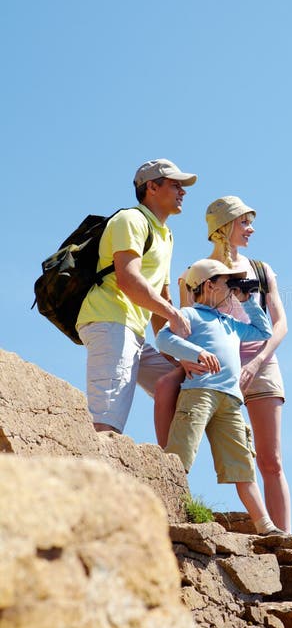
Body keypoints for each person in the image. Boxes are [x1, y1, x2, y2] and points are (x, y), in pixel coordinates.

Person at [154, 195, 291, 532]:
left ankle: (281, 537)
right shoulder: (196, 274)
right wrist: (187, 359)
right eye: (244, 222)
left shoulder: (260, 271)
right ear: (224, 226)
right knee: (174, 409)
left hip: (259, 363)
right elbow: (181, 326)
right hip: (212, 373)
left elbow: (279, 325)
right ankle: (164, 489)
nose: (250, 229)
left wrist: (256, 363)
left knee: (270, 460)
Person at [76, 158, 197, 434]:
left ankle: (169, 459)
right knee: (107, 422)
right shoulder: (131, 219)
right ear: (152, 187)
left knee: (181, 387)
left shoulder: (165, 235)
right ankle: (95, 462)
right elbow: (128, 280)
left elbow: (161, 300)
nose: (183, 191)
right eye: (175, 185)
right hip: (111, 322)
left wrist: (175, 353)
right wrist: (174, 315)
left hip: (133, 332)